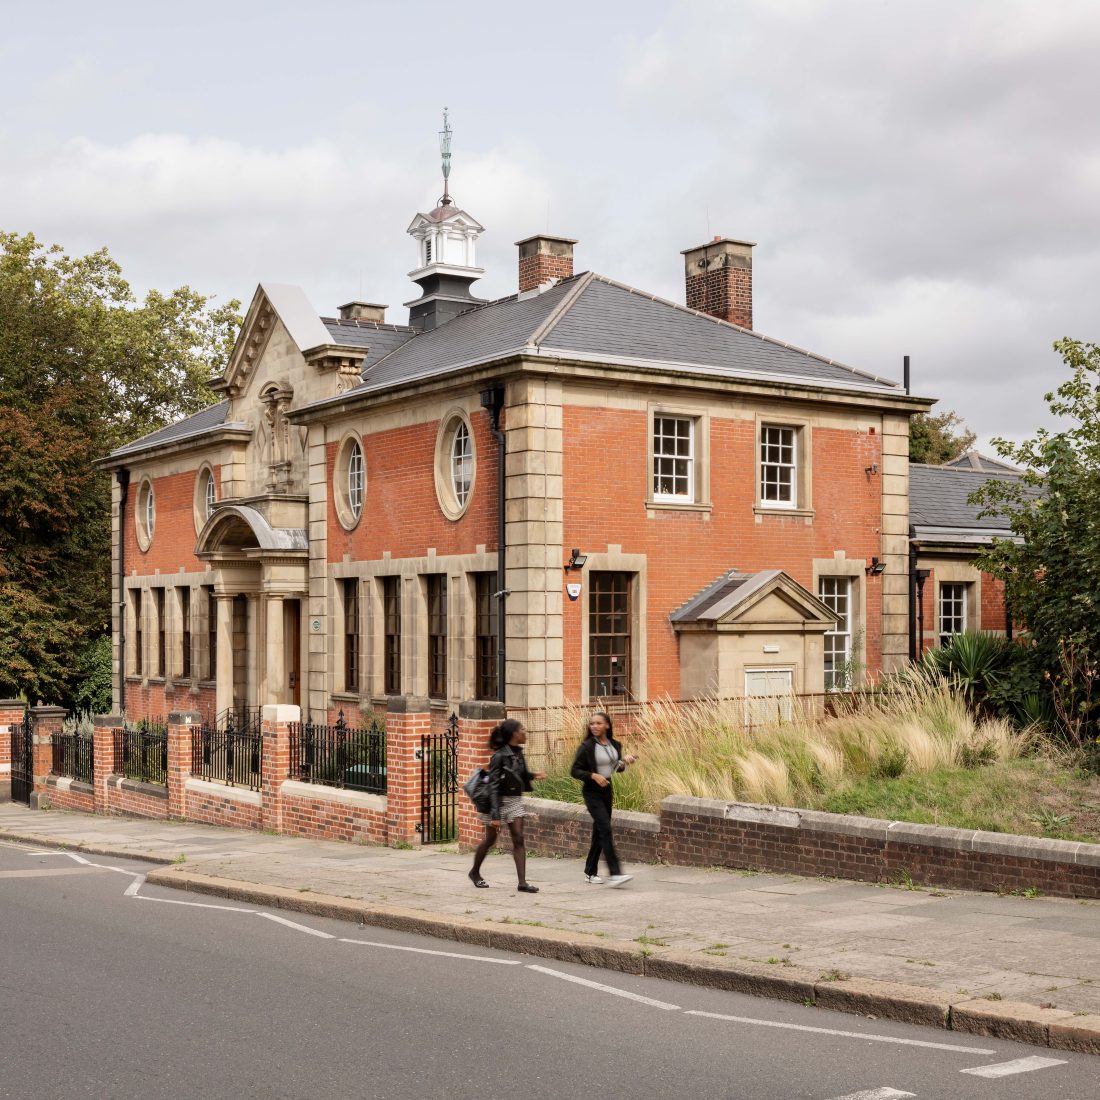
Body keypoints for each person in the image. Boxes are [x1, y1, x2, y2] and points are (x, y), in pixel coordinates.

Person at [468, 718, 545, 893]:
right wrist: (495, 816)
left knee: (518, 838)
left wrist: (533, 775)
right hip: (497, 802)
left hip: (514, 801)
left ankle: (522, 883)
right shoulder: (499, 756)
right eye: (523, 729)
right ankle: (474, 873)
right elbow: (493, 785)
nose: (526, 732)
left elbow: (521, 773)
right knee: (490, 840)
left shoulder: (518, 752)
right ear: (514, 734)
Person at [570, 711, 638, 887]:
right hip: (592, 792)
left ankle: (590, 872)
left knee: (600, 831)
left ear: (607, 725)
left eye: (599, 723)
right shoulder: (586, 746)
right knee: (605, 829)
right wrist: (593, 775)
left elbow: (615, 767)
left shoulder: (615, 744)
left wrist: (624, 762)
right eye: (592, 723)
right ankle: (615, 874)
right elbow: (575, 770)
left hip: (607, 790)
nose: (594, 726)